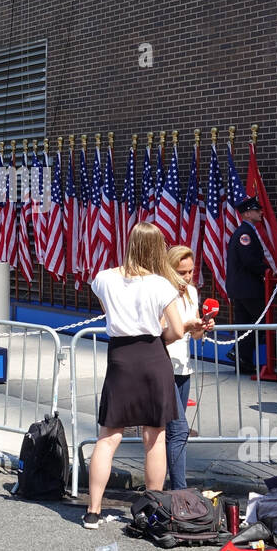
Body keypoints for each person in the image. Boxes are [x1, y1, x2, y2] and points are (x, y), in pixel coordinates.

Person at [83, 223, 205, 528]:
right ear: (156, 249)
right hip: (152, 356)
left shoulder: (104, 278)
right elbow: (176, 331)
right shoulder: (162, 285)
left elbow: (109, 314)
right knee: (155, 438)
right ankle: (153, 510)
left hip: (120, 358)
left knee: (108, 437)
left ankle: (93, 511)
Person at [164, 245, 215, 490]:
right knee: (179, 429)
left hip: (183, 367)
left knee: (174, 433)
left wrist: (202, 326)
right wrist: (186, 326)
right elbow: (164, 332)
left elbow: (194, 336)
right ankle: (180, 491)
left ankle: (173, 489)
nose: (186, 277)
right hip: (163, 364)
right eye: (181, 272)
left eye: (189, 272)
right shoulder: (162, 293)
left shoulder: (192, 293)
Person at [225, 195, 268, 376]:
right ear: (248, 213)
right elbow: (249, 261)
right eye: (257, 211)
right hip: (248, 288)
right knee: (260, 323)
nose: (261, 213)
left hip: (241, 288)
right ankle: (238, 351)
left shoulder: (245, 231)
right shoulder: (245, 234)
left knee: (245, 325)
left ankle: (243, 361)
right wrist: (266, 270)